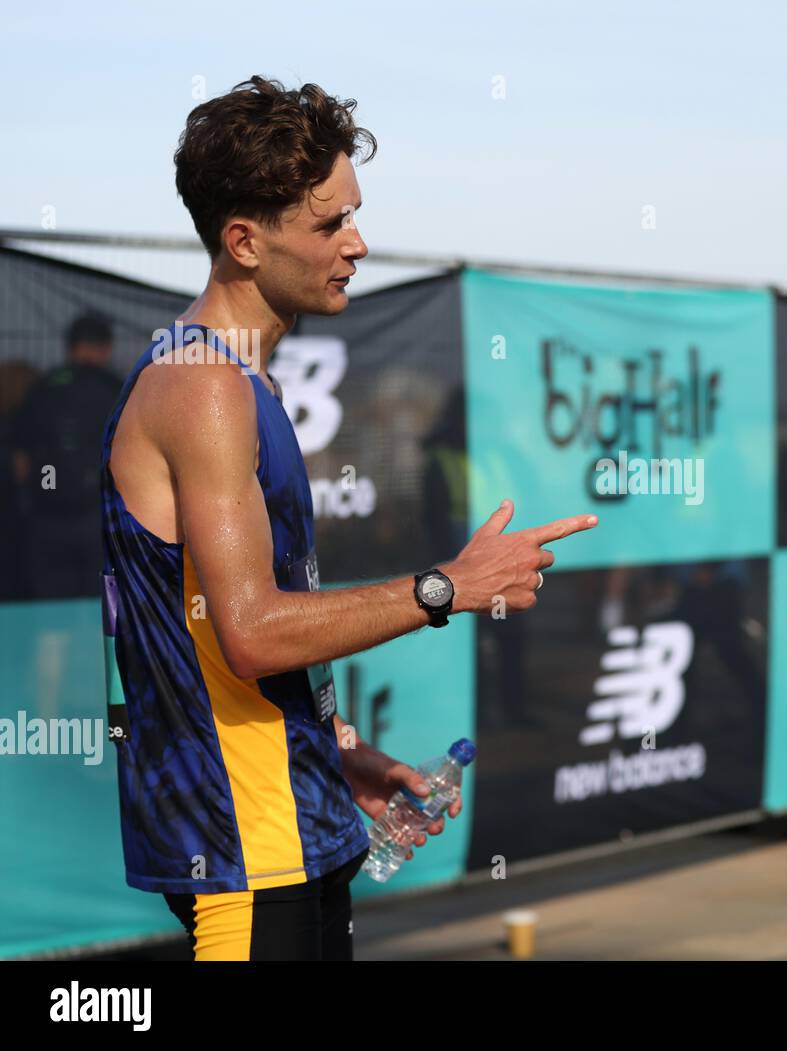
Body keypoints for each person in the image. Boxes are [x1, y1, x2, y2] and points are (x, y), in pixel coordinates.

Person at [101, 76, 597, 961]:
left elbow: (213, 637)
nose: (359, 244)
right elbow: (249, 631)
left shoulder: (240, 378)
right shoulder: (204, 386)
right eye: (330, 224)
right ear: (245, 241)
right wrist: (449, 586)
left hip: (294, 819)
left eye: (354, 215)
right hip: (247, 845)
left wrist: (331, 749)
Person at [11, 312, 122, 598]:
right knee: (98, 603)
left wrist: (42, 490)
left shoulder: (42, 388)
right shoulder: (114, 388)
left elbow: (21, 460)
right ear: (104, 348)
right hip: (97, 517)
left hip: (45, 517)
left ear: (71, 346)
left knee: (51, 604)